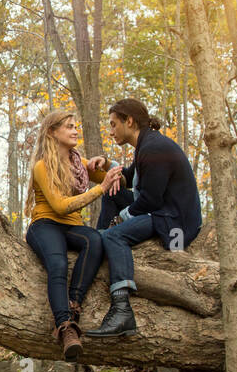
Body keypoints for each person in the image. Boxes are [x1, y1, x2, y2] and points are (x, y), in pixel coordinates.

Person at [85, 99, 202, 338]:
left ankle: (122, 311)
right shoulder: (145, 145)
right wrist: (106, 165)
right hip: (158, 210)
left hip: (173, 220)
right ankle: (97, 241)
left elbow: (150, 200)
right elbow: (129, 177)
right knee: (113, 190)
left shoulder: (154, 148)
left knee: (116, 237)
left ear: (129, 121)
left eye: (113, 124)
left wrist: (119, 220)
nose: (110, 131)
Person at [23, 109, 122, 360]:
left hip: (72, 226)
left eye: (75, 125)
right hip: (45, 224)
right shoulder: (42, 166)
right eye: (68, 126)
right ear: (52, 132)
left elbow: (110, 176)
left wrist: (105, 163)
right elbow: (59, 206)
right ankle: (66, 328)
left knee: (96, 240)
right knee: (57, 263)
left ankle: (73, 306)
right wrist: (100, 188)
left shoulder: (78, 162)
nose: (75, 130)